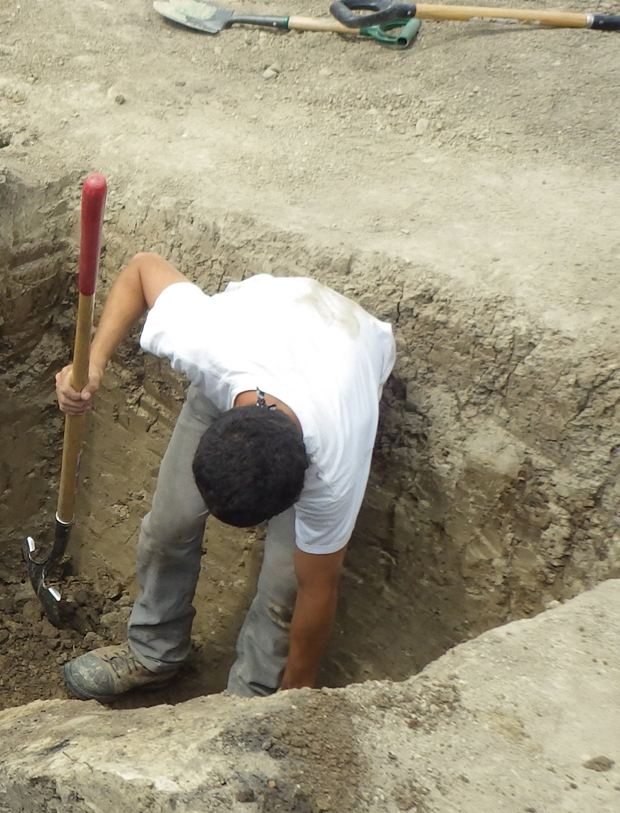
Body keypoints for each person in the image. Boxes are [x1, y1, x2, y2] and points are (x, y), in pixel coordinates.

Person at [54, 251, 395, 700]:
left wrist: (298, 697)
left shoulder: (335, 465)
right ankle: (152, 651)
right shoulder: (207, 344)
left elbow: (319, 587)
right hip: (263, 327)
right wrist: (93, 362)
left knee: (282, 591)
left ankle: (247, 707)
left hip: (347, 342)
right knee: (168, 525)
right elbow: (142, 269)